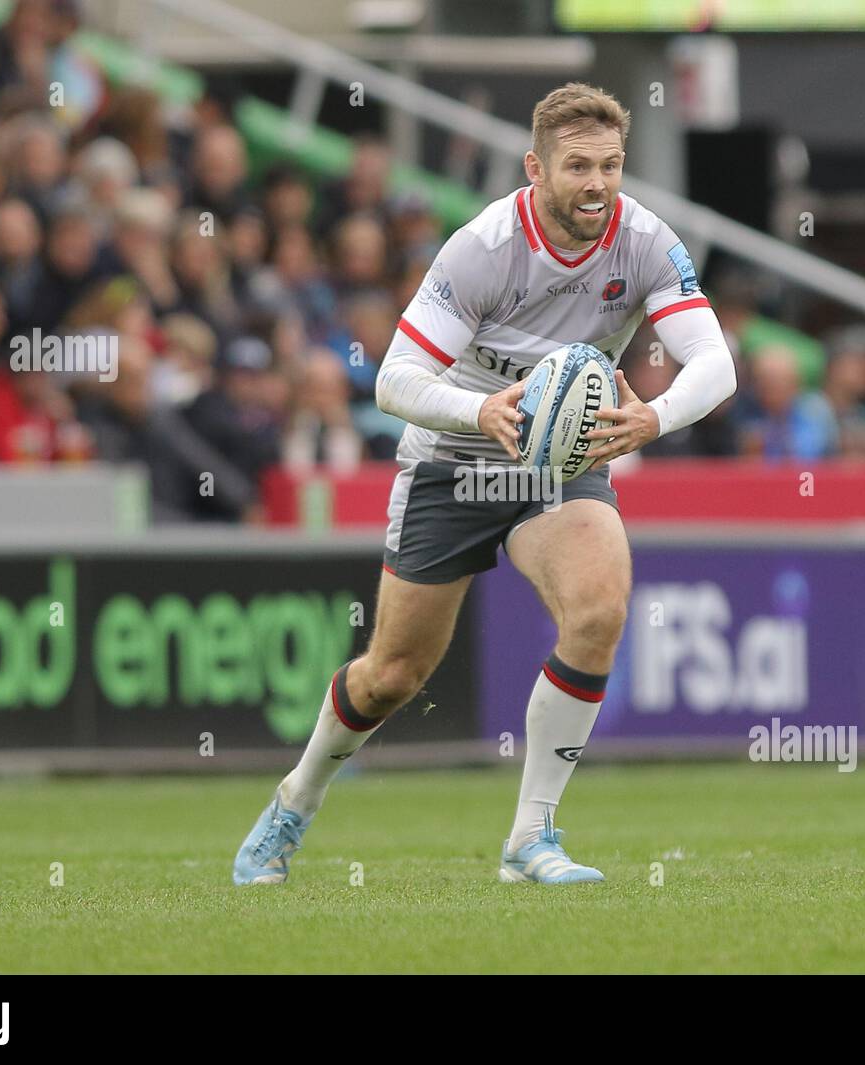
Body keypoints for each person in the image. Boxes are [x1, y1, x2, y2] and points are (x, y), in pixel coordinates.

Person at [233, 82, 738, 887]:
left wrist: (656, 417)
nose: (599, 183)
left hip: (561, 465)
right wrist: (482, 411)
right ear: (535, 167)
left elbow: (716, 361)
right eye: (578, 166)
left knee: (600, 608)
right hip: (454, 457)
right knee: (393, 674)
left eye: (611, 165)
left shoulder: (645, 241)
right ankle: (297, 796)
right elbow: (394, 381)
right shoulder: (483, 246)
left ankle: (530, 838)